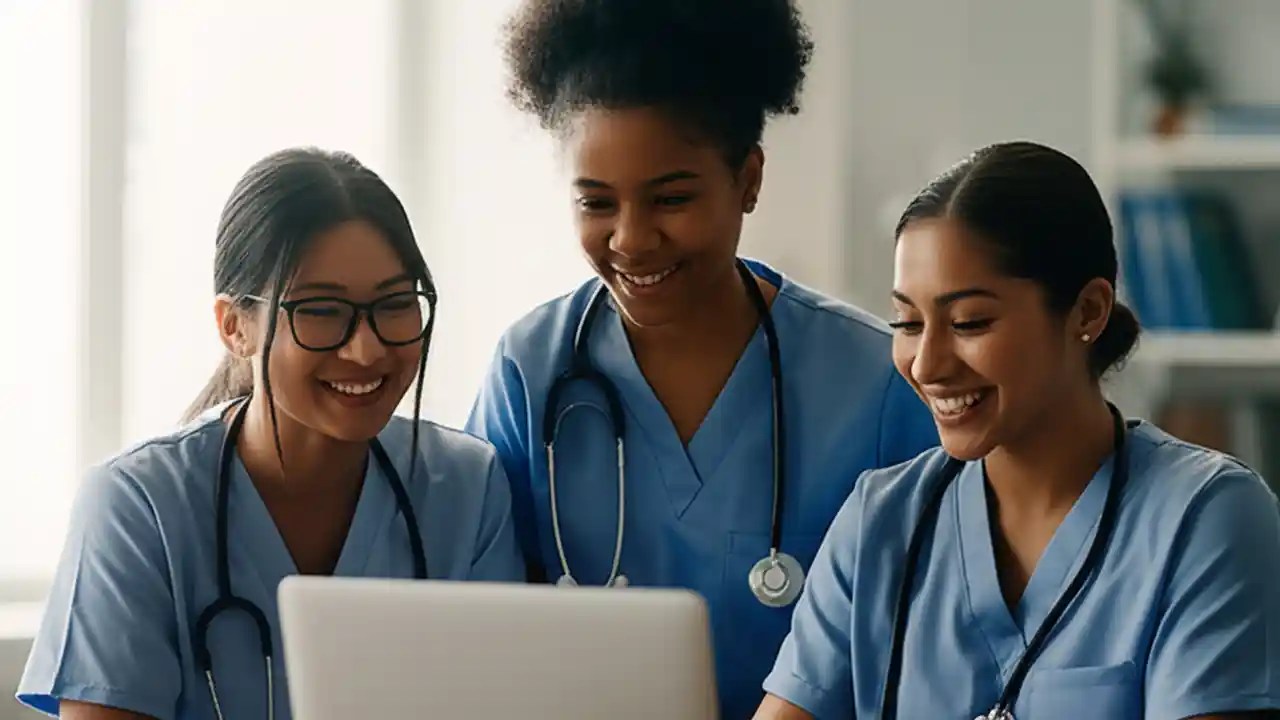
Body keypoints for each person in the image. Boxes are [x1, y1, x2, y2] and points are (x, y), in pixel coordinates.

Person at [464, 1, 938, 716]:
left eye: (671, 199)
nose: (631, 239)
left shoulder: (877, 381)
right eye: (596, 203)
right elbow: (472, 631)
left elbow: (930, 648)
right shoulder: (530, 371)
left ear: (748, 178)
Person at [755, 141, 1280, 720]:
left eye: (969, 322)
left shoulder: (1206, 518)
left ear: (1087, 312)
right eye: (907, 322)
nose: (926, 364)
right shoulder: (880, 524)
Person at [17, 148, 525, 720]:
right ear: (235, 327)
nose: (366, 349)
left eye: (395, 304)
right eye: (321, 310)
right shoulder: (138, 508)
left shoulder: (468, 487)